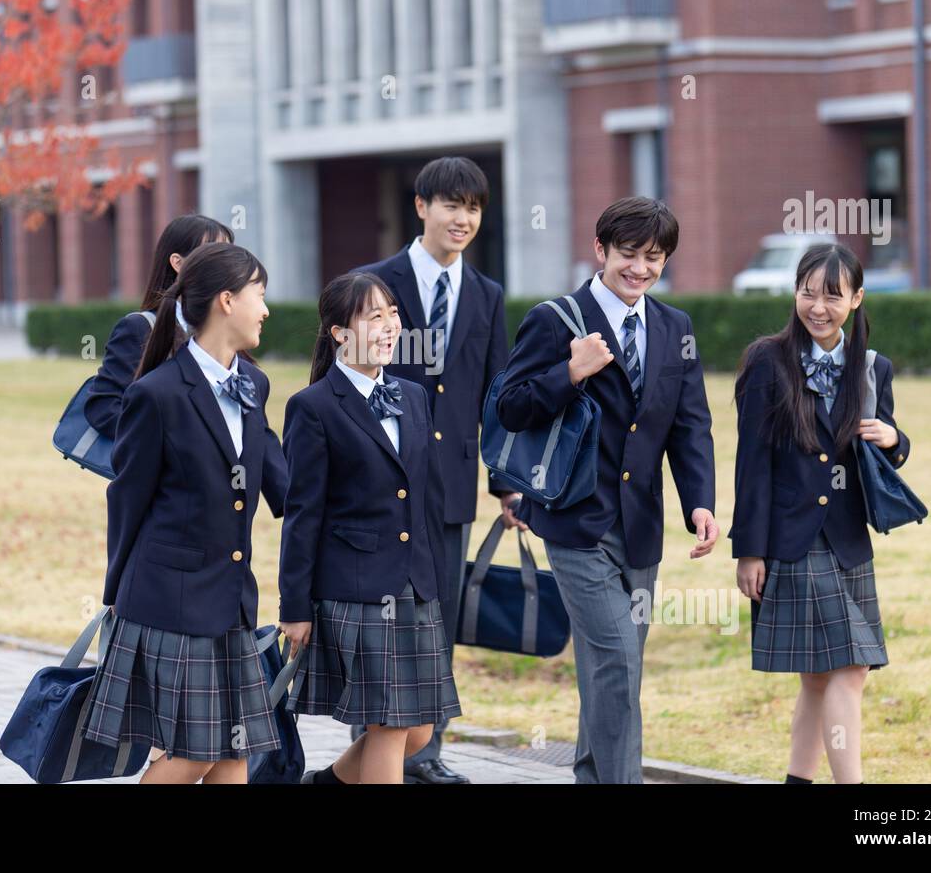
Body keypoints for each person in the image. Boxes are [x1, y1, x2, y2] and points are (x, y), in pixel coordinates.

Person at [496, 196, 718, 784]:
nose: (640, 269)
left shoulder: (675, 327)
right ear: (600, 251)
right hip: (574, 520)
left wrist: (700, 501)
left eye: (654, 258)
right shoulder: (554, 320)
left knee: (613, 665)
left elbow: (690, 422)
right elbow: (509, 408)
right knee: (619, 661)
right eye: (628, 254)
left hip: (641, 526)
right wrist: (569, 372)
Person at [81, 242, 288, 784]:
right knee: (191, 755)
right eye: (259, 295)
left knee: (234, 753)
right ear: (226, 300)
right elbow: (127, 499)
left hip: (232, 598)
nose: (266, 309)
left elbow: (278, 483)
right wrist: (118, 595)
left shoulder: (253, 385)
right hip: (170, 599)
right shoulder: (157, 394)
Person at [354, 155, 516, 784]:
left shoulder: (487, 294)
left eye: (473, 208)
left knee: (436, 621)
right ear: (421, 207)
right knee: (377, 621)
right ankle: (374, 753)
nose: (463, 218)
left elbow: (495, 396)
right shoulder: (373, 282)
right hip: (380, 483)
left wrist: (506, 483)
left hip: (451, 487)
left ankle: (424, 754)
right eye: (451, 204)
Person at [730, 243, 907, 785]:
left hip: (849, 541)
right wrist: (749, 550)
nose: (818, 306)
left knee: (818, 678)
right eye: (808, 291)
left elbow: (886, 451)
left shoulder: (873, 368)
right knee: (850, 670)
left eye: (833, 294)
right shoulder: (767, 359)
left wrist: (895, 439)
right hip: (792, 538)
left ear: (856, 298)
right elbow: (752, 461)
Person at [278, 272, 462, 784]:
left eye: (393, 314)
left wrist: (437, 582)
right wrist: (294, 607)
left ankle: (323, 783)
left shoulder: (412, 395)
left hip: (415, 586)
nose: (389, 326)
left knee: (419, 731)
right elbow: (302, 514)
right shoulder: (312, 407)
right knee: (389, 726)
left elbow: (428, 497)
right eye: (373, 316)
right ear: (339, 332)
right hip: (356, 588)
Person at [84, 214, 233, 441]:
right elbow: (103, 407)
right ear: (177, 263)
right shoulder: (140, 328)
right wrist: (163, 444)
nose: (226, 265)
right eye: (212, 253)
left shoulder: (230, 330)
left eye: (228, 255)